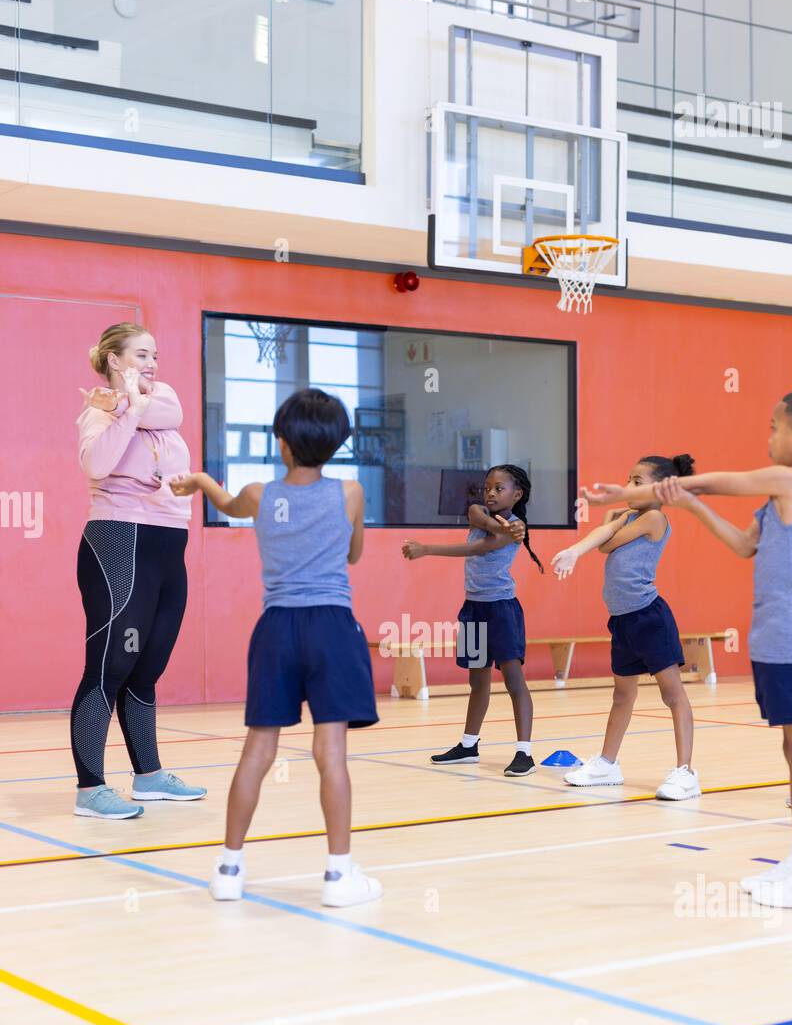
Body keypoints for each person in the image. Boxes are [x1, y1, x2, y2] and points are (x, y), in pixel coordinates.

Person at [586, 389, 792, 912]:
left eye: (774, 426)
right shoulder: (779, 499)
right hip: (777, 642)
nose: (768, 436)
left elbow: (727, 480)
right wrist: (689, 504)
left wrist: (645, 490)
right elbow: (741, 543)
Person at [170, 388, 381, 908]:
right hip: (331, 626)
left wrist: (197, 480)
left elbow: (222, 502)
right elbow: (354, 554)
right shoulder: (350, 493)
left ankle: (228, 868)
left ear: (281, 443)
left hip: (277, 629)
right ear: (336, 445)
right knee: (330, 751)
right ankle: (337, 875)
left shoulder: (260, 494)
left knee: (258, 750)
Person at [72, 323, 205, 819]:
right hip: (119, 539)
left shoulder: (159, 397)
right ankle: (90, 789)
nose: (151, 364)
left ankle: (148, 778)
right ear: (114, 359)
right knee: (109, 667)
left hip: (169, 543)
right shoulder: (94, 414)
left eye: (155, 355)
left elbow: (173, 409)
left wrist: (130, 402)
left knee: (148, 668)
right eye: (141, 356)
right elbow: (99, 464)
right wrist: (123, 408)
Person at [552, 454, 700, 801]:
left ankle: (686, 771)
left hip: (650, 618)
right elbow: (603, 532)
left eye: (637, 481)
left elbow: (608, 541)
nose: (629, 486)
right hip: (622, 620)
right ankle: (607, 763)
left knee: (672, 694)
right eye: (628, 479)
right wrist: (574, 551)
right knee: (622, 695)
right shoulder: (626, 515)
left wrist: (610, 526)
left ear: (661, 490)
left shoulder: (654, 518)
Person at [401, 465, 541, 776]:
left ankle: (524, 753)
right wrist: (503, 529)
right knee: (477, 681)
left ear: (517, 494)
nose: (490, 493)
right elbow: (476, 515)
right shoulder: (484, 513)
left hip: (501, 610)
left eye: (499, 488)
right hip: (474, 609)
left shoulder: (517, 525)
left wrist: (427, 549)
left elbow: (475, 548)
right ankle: (468, 745)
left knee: (513, 681)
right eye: (488, 487)